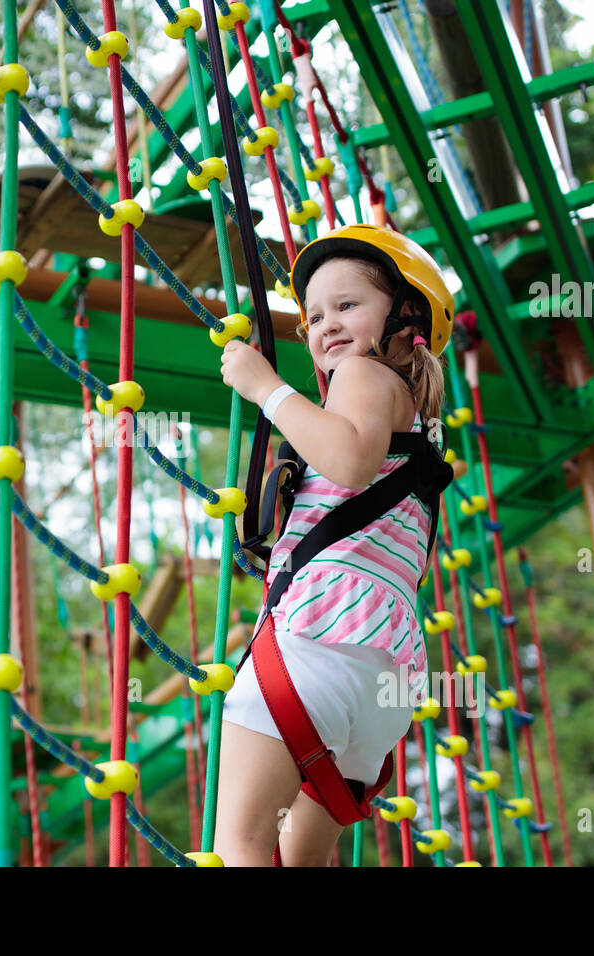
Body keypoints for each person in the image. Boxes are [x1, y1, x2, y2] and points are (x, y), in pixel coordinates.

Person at [215, 223, 454, 866]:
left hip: (317, 649)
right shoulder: (419, 432)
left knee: (240, 843)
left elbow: (348, 463)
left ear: (407, 317)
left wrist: (264, 386)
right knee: (303, 860)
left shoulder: (363, 377)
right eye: (314, 316)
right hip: (382, 688)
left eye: (347, 305)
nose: (326, 326)